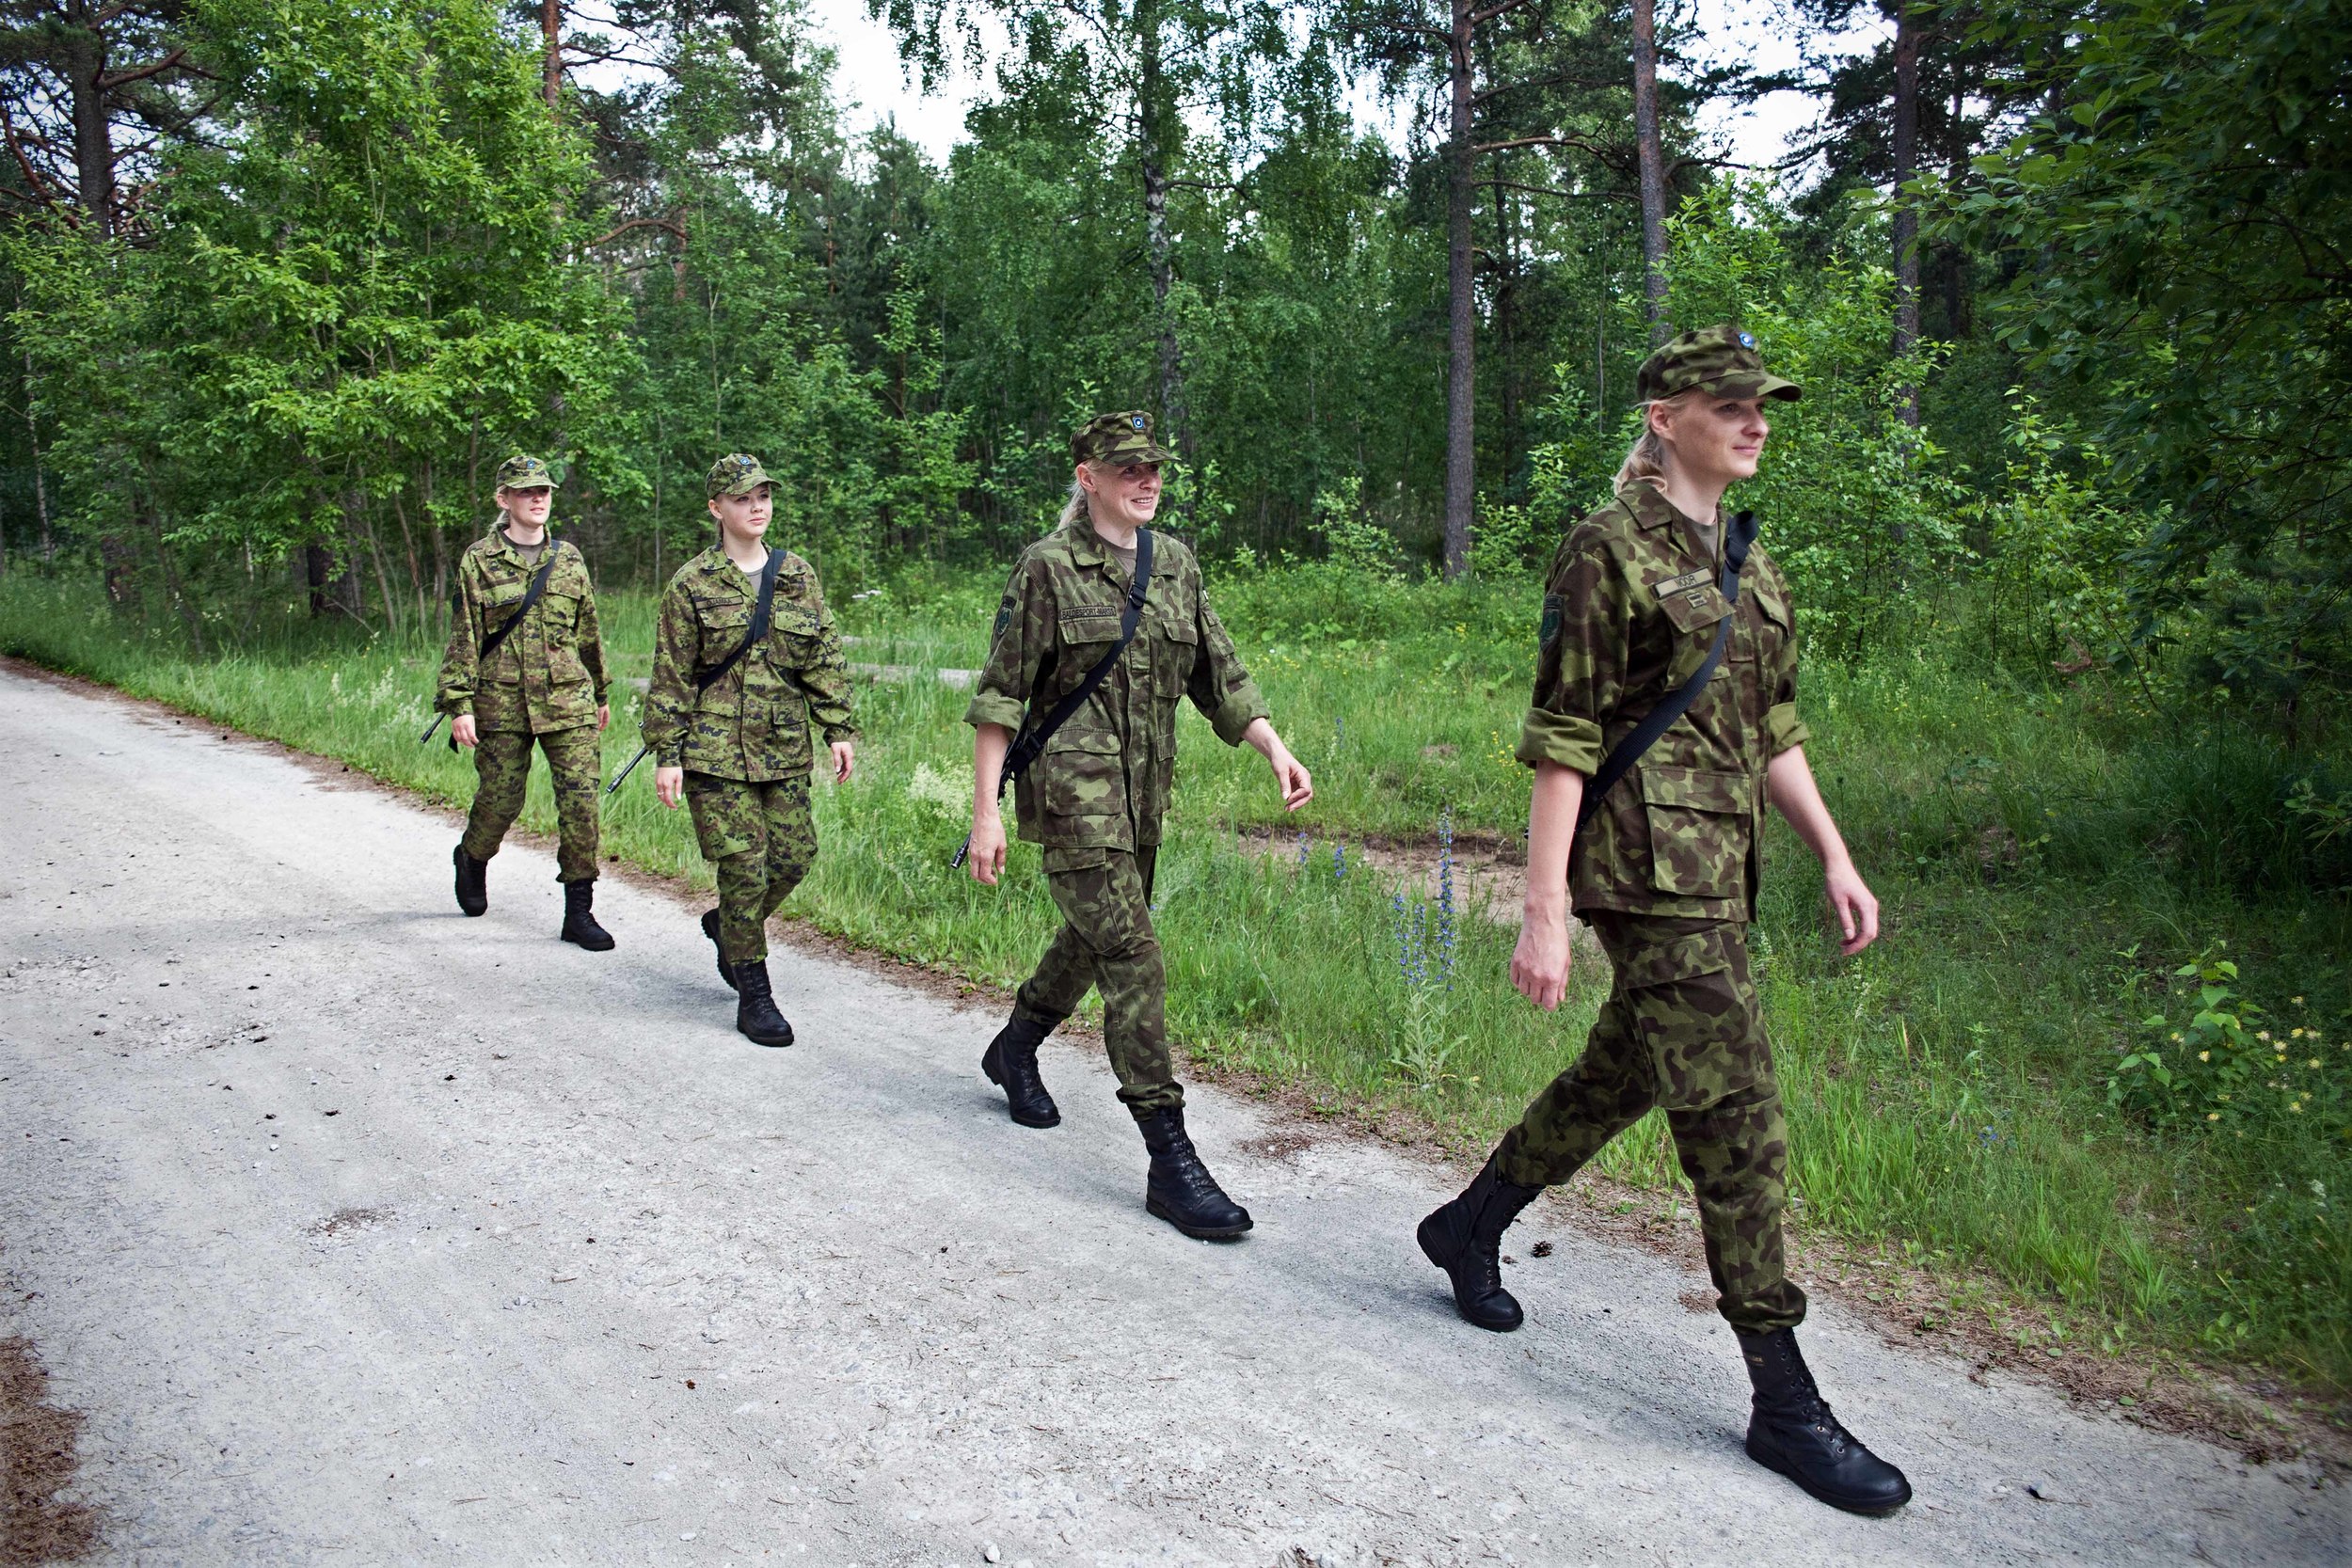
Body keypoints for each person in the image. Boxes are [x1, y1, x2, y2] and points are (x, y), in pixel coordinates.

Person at [1413, 326, 1911, 1514]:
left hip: (1720, 872)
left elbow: (1771, 730)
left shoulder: (1748, 557)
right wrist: (1542, 910)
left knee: (1618, 1073)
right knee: (1735, 1113)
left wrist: (1833, 853)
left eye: (1763, 402)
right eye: (1729, 401)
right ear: (1662, 413)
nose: (1755, 419)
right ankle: (1783, 1400)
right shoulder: (1606, 551)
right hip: (1642, 877)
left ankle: (1468, 1221)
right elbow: (1564, 736)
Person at [962, 411, 1313, 1240]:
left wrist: (1272, 745)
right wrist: (985, 812)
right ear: (1087, 477)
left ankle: (1014, 1047)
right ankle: (1170, 1157)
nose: (1146, 481)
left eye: (1153, 467)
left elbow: (1215, 670)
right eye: (1127, 469)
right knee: (1133, 953)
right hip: (1073, 798)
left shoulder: (1176, 566)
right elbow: (1000, 696)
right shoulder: (1048, 569)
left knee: (1094, 940)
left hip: (1143, 795)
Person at [641, 453, 857, 1049]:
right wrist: (667, 753)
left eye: (763, 495)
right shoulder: (692, 583)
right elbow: (672, 674)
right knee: (743, 867)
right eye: (742, 498)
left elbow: (823, 657)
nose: (757, 505)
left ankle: (726, 927)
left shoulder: (798, 576)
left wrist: (838, 727)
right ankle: (753, 991)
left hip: (784, 744)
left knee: (793, 858)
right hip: (712, 752)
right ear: (717, 509)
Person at [437, 453, 614, 949]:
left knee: (581, 803)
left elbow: (588, 631)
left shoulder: (570, 558)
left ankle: (578, 911)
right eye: (526, 492)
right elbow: (465, 634)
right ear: (504, 500)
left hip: (568, 700)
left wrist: (600, 691)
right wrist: (459, 704)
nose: (538, 499)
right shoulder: (479, 559)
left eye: (544, 491)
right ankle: (472, 857)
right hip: (501, 701)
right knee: (501, 800)